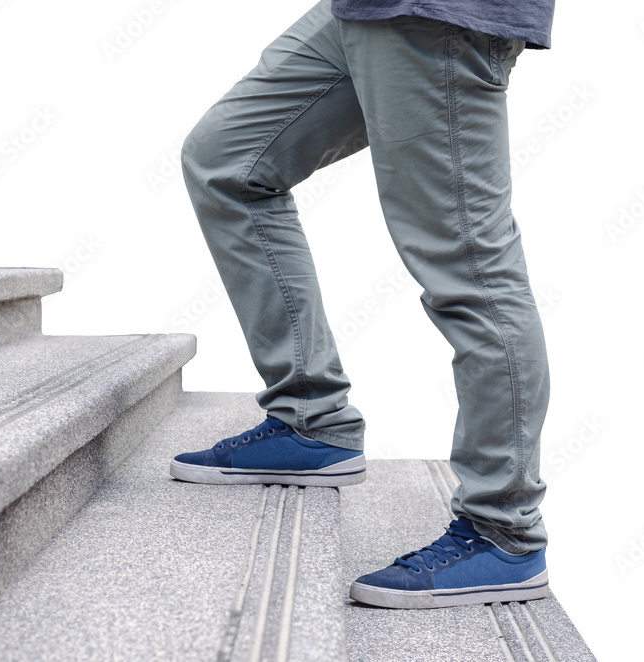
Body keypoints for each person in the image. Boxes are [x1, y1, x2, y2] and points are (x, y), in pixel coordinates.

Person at [170, 0, 554, 609]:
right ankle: (311, 419)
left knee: (468, 264)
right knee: (226, 162)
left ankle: (503, 531)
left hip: (440, 14)